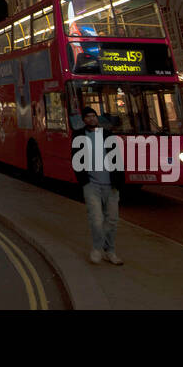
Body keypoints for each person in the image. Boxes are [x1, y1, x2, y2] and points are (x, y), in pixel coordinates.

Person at [72, 107, 124, 265]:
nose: (91, 119)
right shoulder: (79, 136)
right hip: (91, 185)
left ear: (97, 118)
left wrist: (119, 182)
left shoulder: (108, 135)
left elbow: (117, 159)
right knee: (96, 219)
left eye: (93, 116)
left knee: (113, 220)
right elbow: (76, 160)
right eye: (87, 116)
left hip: (111, 185)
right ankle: (97, 248)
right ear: (84, 120)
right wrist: (84, 182)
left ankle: (109, 251)